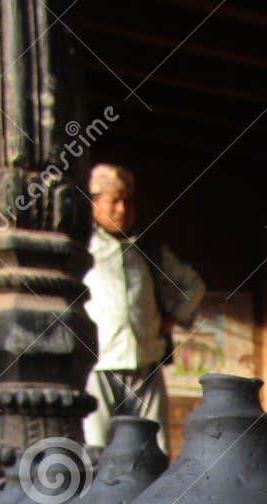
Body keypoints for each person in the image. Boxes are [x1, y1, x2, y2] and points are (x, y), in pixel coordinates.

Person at [82, 164, 206, 447]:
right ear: (95, 204)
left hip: (145, 363)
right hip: (99, 364)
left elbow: (194, 286)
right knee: (97, 450)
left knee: (154, 449)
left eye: (127, 201)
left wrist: (173, 318)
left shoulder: (148, 250)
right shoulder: (82, 248)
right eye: (114, 201)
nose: (122, 210)